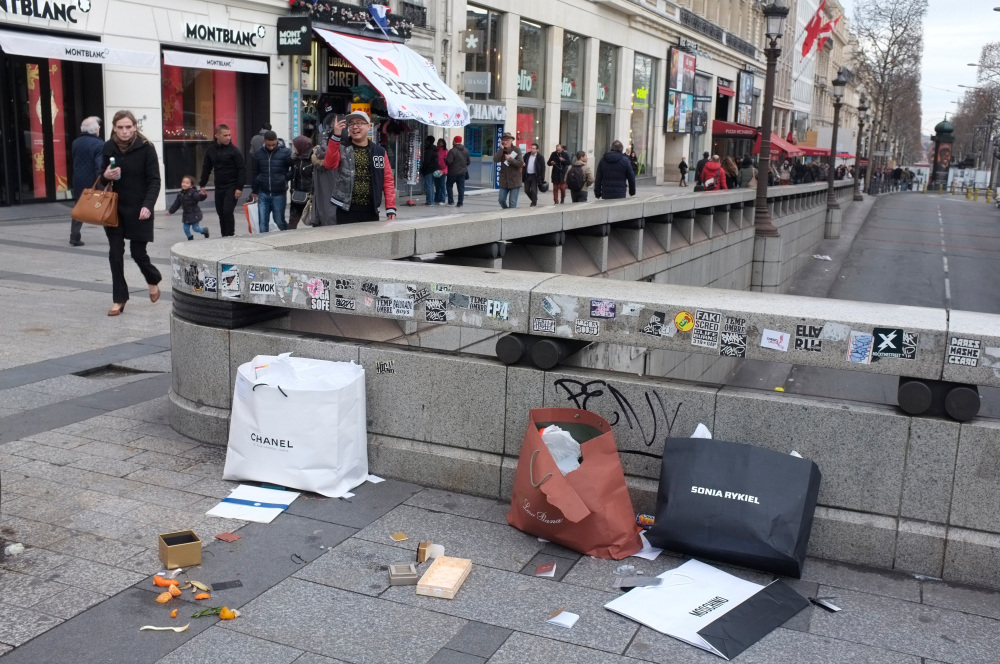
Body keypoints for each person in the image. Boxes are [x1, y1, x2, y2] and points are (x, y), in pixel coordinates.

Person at [100, 110, 161, 317]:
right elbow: (101, 179)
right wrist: (106, 175)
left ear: (135, 127)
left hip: (139, 209)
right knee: (115, 254)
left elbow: (154, 180)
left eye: (128, 127)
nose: (124, 131)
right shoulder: (108, 147)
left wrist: (148, 205)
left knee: (138, 253)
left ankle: (153, 278)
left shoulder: (146, 148)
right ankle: (119, 299)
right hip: (114, 210)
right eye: (120, 127)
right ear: (114, 128)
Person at [322, 111, 396, 223]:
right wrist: (336, 136)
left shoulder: (379, 152)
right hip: (345, 209)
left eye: (359, 123)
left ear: (369, 126)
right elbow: (329, 164)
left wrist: (390, 207)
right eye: (351, 124)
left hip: (371, 210)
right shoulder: (342, 147)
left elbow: (387, 180)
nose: (355, 126)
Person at [199, 124, 246, 237]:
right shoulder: (211, 150)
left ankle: (230, 235)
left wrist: (239, 188)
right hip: (219, 186)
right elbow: (206, 167)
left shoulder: (234, 151)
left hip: (232, 185)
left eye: (229, 135)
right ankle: (224, 235)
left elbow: (242, 169)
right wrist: (202, 184)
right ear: (217, 135)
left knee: (227, 211)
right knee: (220, 212)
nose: (228, 138)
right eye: (225, 135)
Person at [70, 116, 104, 246]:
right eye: (98, 127)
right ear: (95, 130)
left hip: (78, 180)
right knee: (104, 207)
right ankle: (113, 235)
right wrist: (102, 185)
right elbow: (99, 166)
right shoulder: (99, 144)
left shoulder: (76, 142)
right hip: (92, 180)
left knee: (79, 208)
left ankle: (74, 236)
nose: (99, 129)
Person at [249, 130, 292, 232]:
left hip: (279, 193)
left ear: (277, 141)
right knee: (263, 223)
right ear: (264, 141)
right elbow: (255, 172)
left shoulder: (286, 152)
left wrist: (285, 177)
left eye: (273, 144)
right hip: (263, 193)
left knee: (279, 221)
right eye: (269, 145)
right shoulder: (259, 154)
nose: (271, 147)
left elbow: (294, 169)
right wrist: (254, 190)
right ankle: (265, 244)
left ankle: (288, 236)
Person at [166, 175, 209, 240]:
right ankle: (190, 238)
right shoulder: (180, 194)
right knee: (185, 228)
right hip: (186, 215)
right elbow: (176, 203)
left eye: (187, 183)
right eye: (183, 182)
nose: (184, 184)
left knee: (195, 228)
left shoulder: (193, 192)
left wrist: (203, 195)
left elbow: (198, 197)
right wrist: (170, 211)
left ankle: (204, 230)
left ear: (191, 185)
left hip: (195, 214)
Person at [288, 135, 315, 229]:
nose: (294, 148)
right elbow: (292, 175)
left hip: (311, 197)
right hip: (297, 195)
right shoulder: (295, 159)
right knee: (291, 224)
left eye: (295, 145)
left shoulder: (313, 159)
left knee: (315, 222)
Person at [493, 132, 524, 208]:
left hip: (515, 180)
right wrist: (501, 149)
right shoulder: (501, 150)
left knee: (512, 203)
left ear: (511, 141)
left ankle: (510, 217)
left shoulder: (517, 149)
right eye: (504, 140)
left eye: (507, 140)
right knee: (501, 200)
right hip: (504, 181)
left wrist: (509, 159)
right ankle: (507, 212)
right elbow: (495, 159)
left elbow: (520, 163)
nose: (505, 142)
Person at [445, 136, 470, 207]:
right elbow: (468, 162)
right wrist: (463, 167)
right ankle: (460, 203)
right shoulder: (466, 150)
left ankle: (451, 201)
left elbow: (448, 162)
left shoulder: (452, 151)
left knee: (449, 186)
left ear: (454, 141)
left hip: (452, 172)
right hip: (462, 173)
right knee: (461, 188)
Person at [522, 143, 543, 207]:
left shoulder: (540, 157)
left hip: (535, 176)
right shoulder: (527, 155)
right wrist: (522, 163)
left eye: (533, 148)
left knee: (534, 190)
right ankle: (534, 199)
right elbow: (522, 161)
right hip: (527, 175)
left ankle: (534, 202)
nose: (532, 149)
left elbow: (543, 168)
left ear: (537, 150)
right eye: (531, 148)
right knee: (526, 190)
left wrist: (542, 178)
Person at [420, 135, 438, 205]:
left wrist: (423, 169)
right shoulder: (435, 149)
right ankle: (431, 200)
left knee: (428, 185)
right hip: (434, 169)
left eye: (426, 140)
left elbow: (426, 161)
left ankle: (429, 201)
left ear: (428, 141)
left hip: (429, 170)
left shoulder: (429, 150)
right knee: (431, 185)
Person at [434, 138, 449, 205]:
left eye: (440, 142)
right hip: (436, 170)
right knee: (437, 185)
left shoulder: (445, 151)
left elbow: (447, 162)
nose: (438, 143)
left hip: (443, 171)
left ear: (443, 143)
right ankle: (437, 199)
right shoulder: (436, 150)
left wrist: (443, 170)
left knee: (442, 185)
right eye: (438, 142)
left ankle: (442, 199)